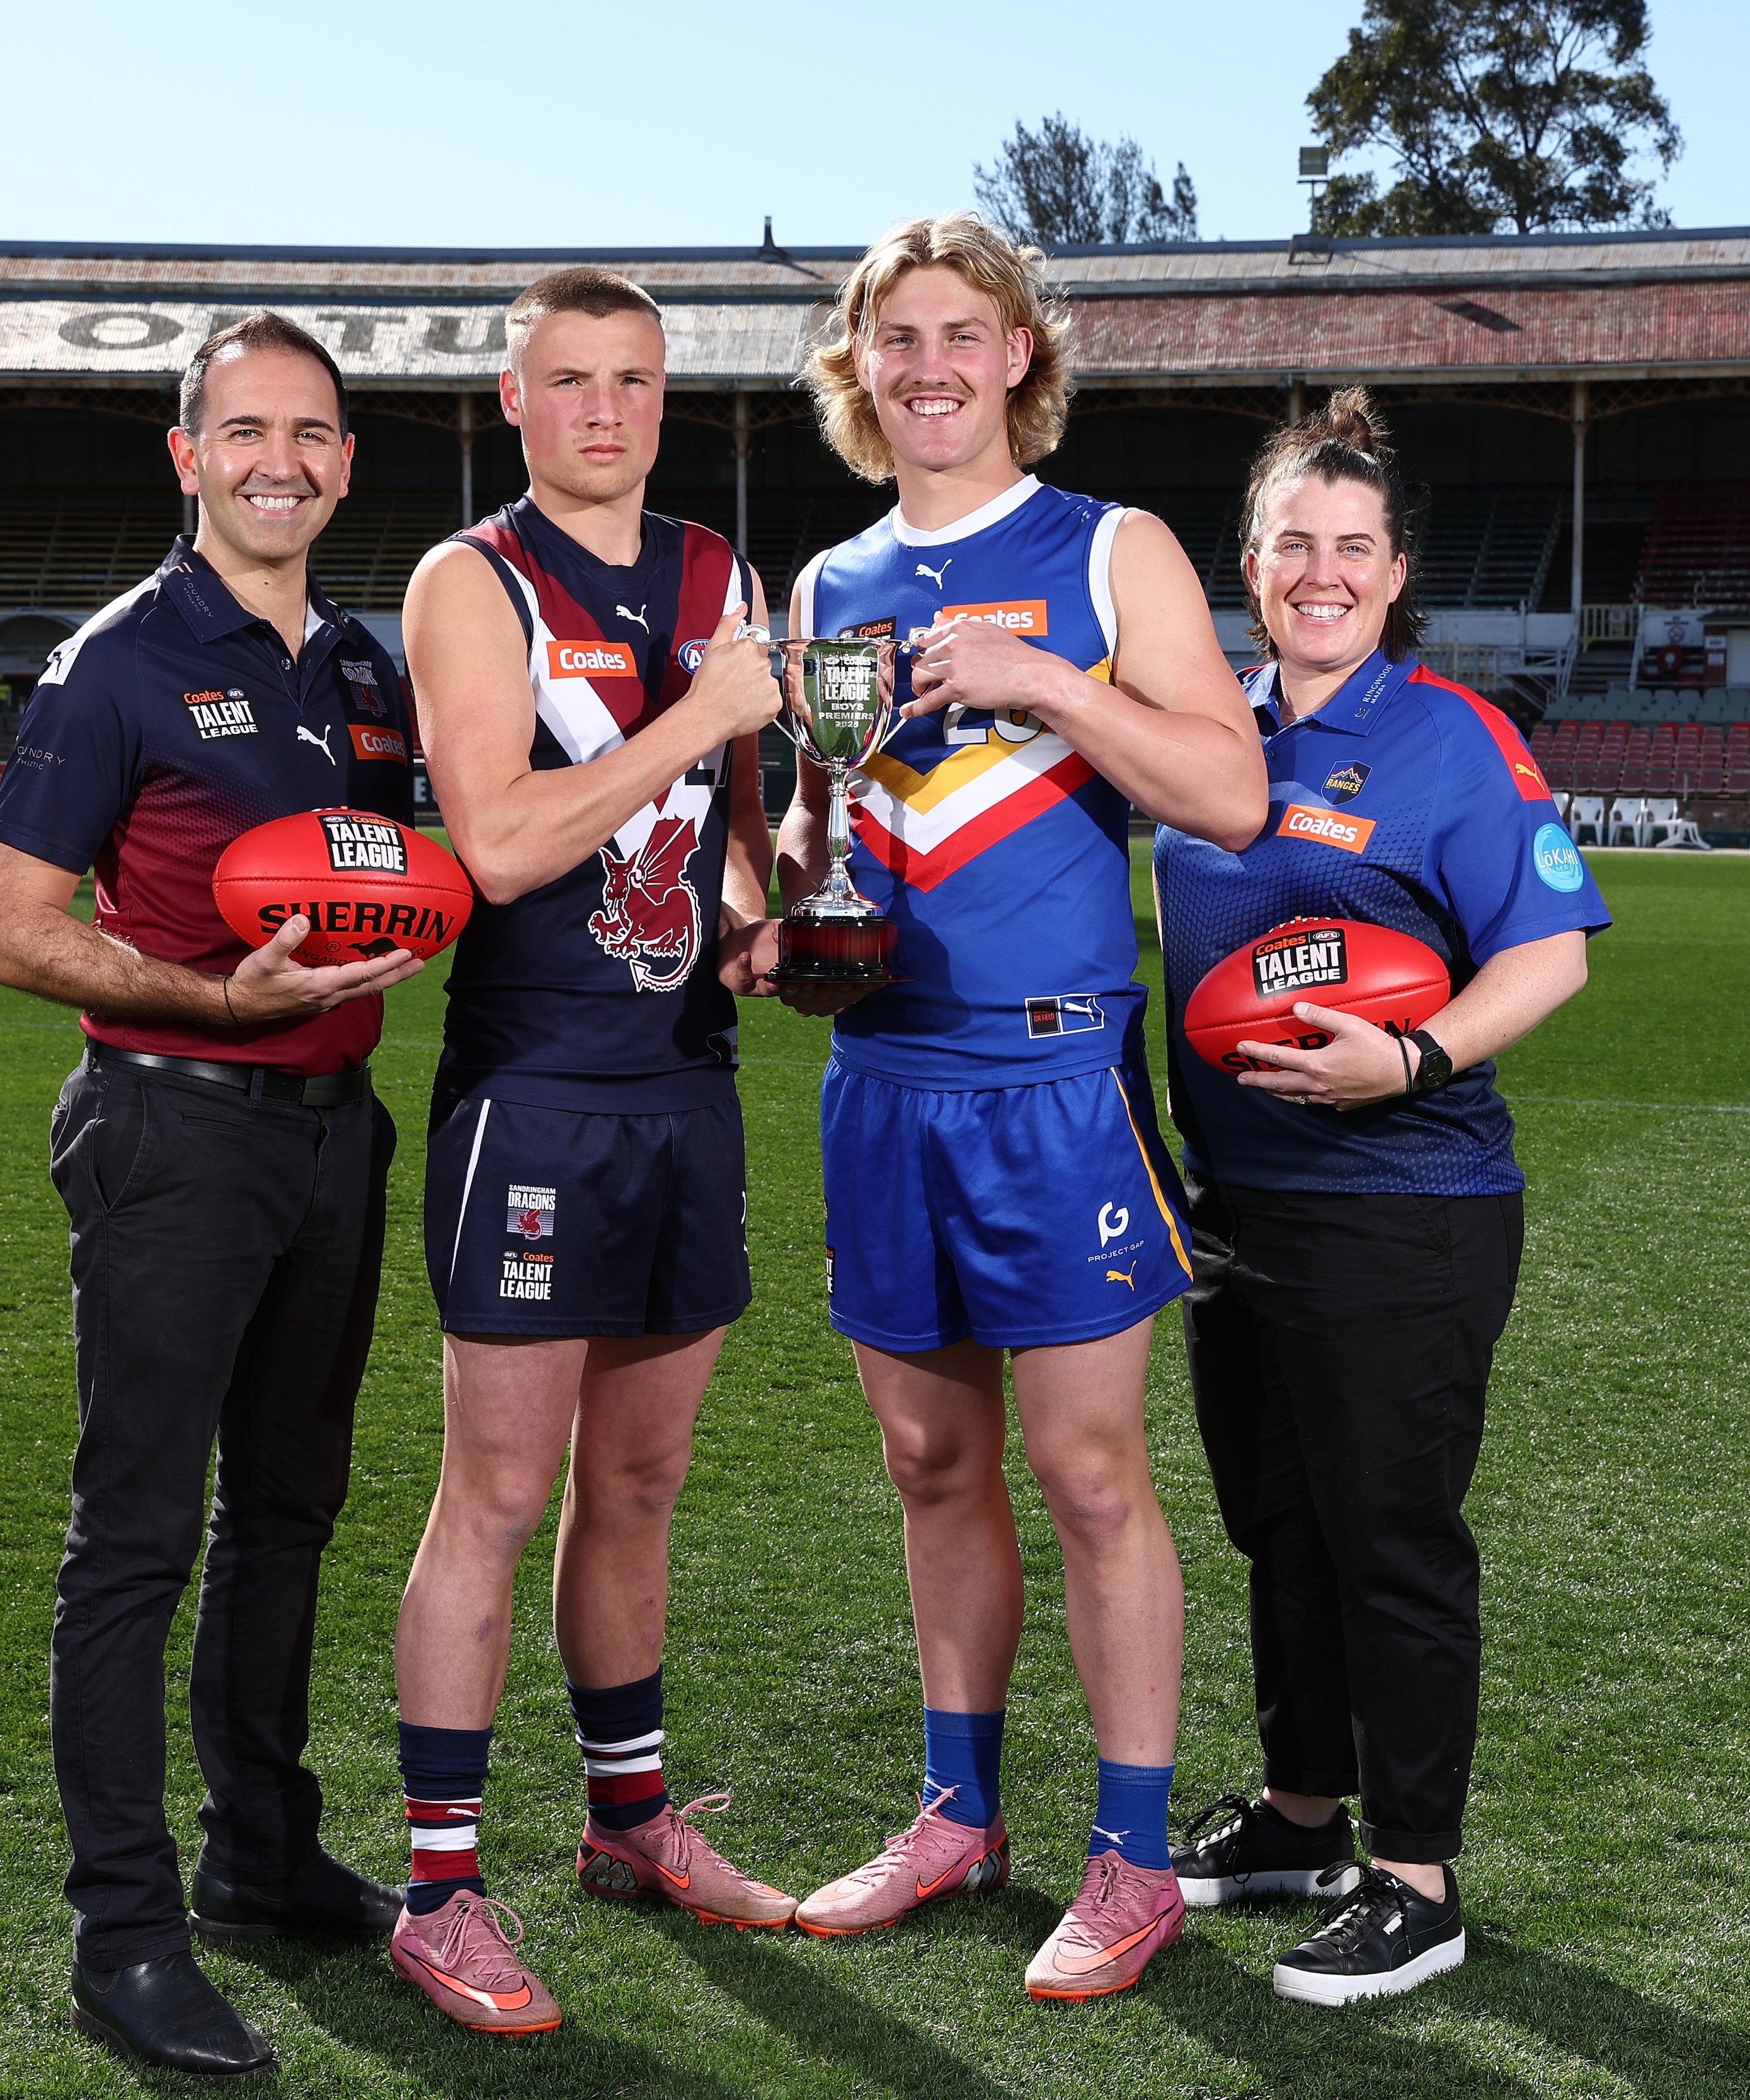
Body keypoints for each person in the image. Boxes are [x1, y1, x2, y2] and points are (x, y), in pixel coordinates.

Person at [772, 214, 1267, 2001]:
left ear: (1019, 356)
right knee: (929, 1461)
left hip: (1056, 1079)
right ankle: (958, 1813)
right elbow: (820, 818)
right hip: (881, 1074)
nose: (929, 367)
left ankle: (1131, 1858)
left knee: (1089, 1470)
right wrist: (788, 904)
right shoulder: (826, 584)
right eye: (896, 337)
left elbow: (1229, 788)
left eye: (961, 333)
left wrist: (1047, 679)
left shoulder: (1110, 547)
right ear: (859, 366)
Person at [0, 313, 423, 2076]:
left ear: (345, 465)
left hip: (335, 1133)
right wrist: (211, 998)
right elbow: (8, 928)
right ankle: (124, 1936)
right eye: (245, 430)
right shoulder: (119, 660)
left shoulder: (367, 669)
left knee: (289, 1507)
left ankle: (260, 1856)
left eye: (310, 433)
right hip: (173, 1127)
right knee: (138, 1532)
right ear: (188, 455)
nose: (277, 461)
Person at [385, 267, 820, 2038]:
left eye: (633, 380)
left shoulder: (725, 574)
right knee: (493, 1495)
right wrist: (699, 719)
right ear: (515, 397)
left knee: (639, 1484)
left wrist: (771, 903)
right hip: (537, 1092)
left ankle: (630, 1820)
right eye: (569, 380)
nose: (604, 411)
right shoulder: (468, 579)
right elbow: (497, 843)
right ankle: (439, 1889)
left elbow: (733, 827)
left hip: (685, 1085)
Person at [1152, 391, 1606, 2007]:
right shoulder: (1203, 729)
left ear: (1398, 571)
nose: (1322, 572)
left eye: (1354, 546)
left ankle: (1416, 1877)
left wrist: (1409, 1057)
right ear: (1249, 564)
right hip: (1236, 1204)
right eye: (1294, 543)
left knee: (1389, 1536)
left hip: (1407, 1198)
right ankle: (1300, 1814)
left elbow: (1548, 953)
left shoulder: (1451, 735)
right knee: (1278, 1522)